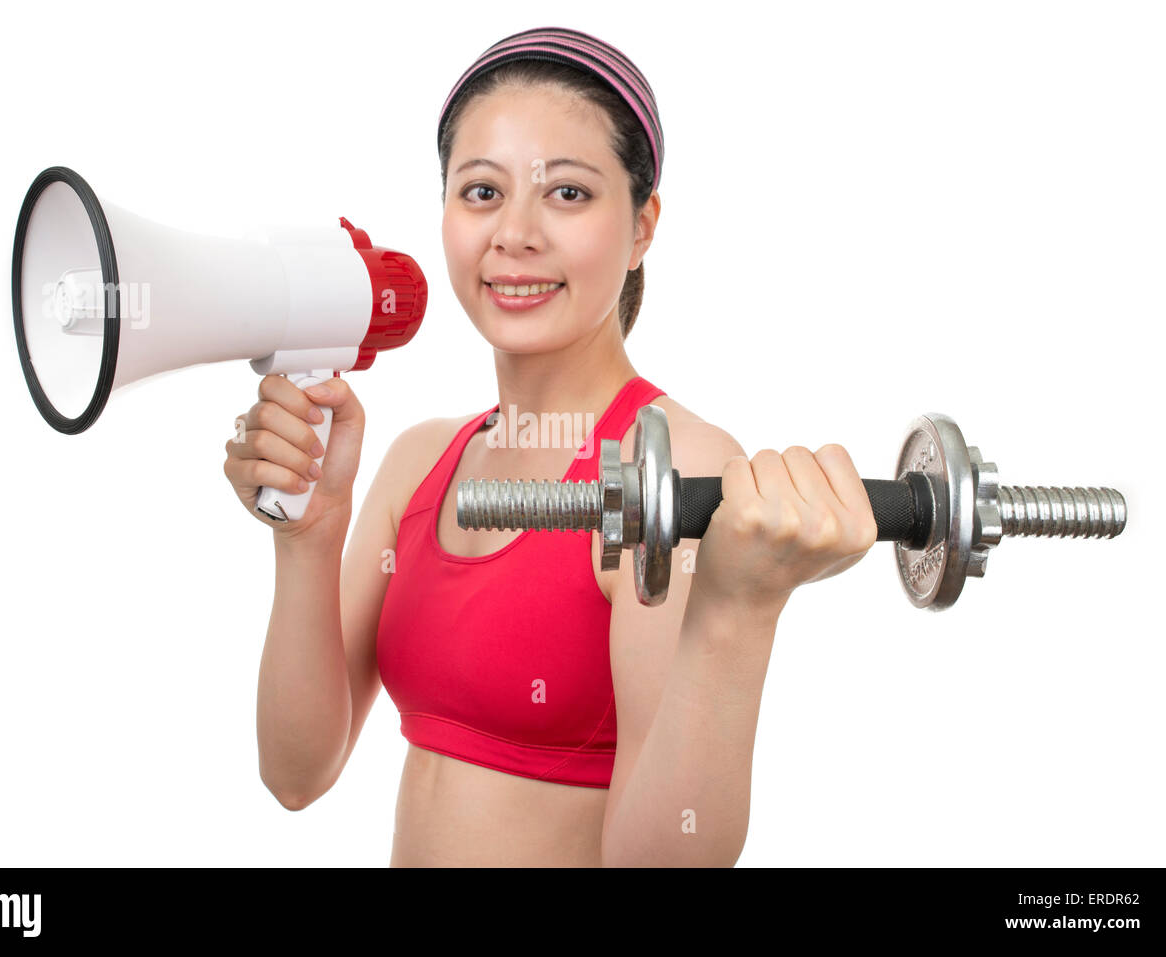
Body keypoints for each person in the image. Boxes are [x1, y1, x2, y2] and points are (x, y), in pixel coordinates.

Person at [222, 26, 876, 867]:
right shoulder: (418, 463)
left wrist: (737, 615)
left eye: (567, 194)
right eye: (482, 192)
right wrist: (308, 535)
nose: (516, 234)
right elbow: (296, 770)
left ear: (642, 227)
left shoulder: (672, 467)